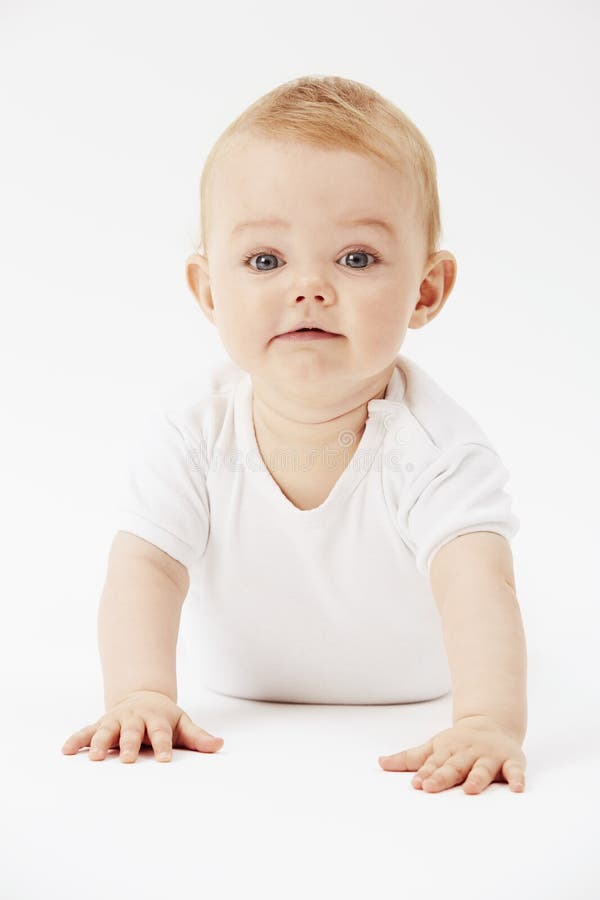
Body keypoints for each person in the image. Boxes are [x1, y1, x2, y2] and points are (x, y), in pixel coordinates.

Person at [61, 75, 527, 794]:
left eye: (357, 258)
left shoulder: (437, 450)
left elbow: (479, 585)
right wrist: (139, 692)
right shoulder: (193, 431)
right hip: (236, 713)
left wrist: (489, 720)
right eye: (265, 261)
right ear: (210, 292)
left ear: (426, 291)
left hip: (407, 701)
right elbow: (145, 568)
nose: (309, 288)